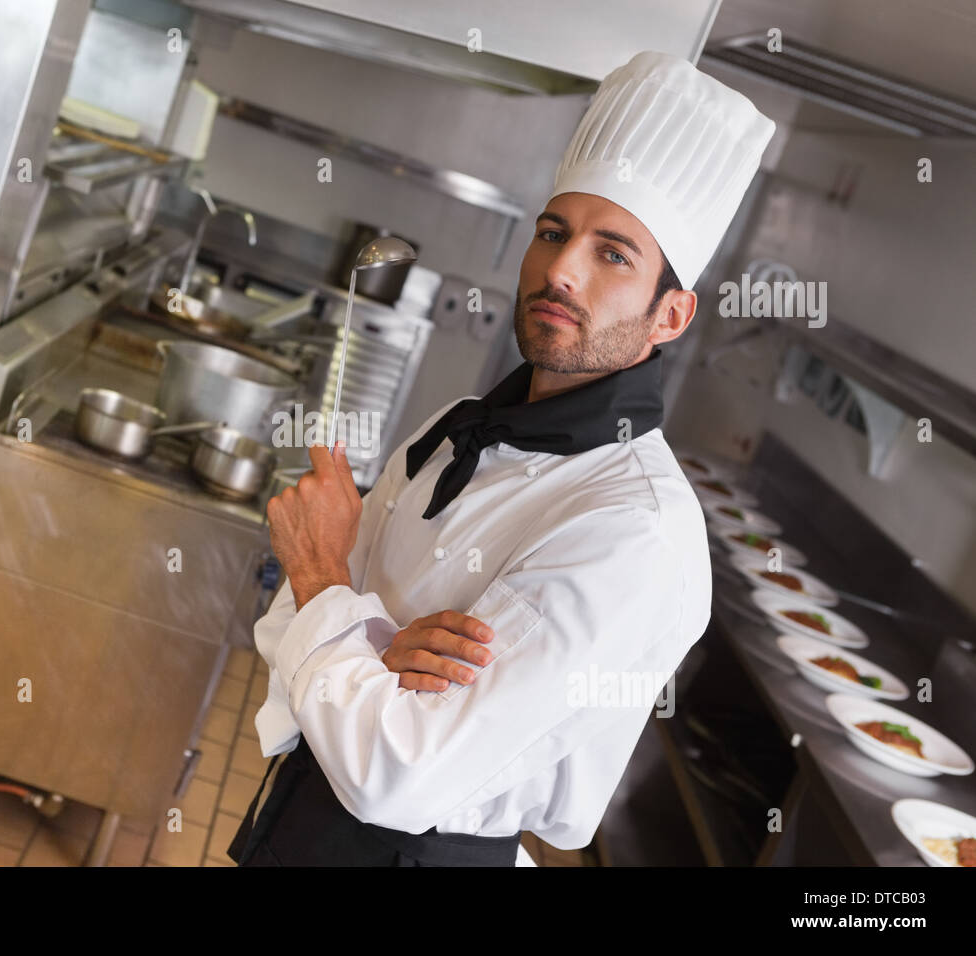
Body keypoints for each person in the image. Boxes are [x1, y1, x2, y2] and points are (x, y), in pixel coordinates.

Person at [227, 49, 776, 867]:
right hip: (305, 812)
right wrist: (371, 642)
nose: (561, 269)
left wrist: (321, 584)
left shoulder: (637, 531)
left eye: (612, 253)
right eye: (553, 233)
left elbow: (397, 771)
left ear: (671, 315)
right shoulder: (458, 425)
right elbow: (286, 636)